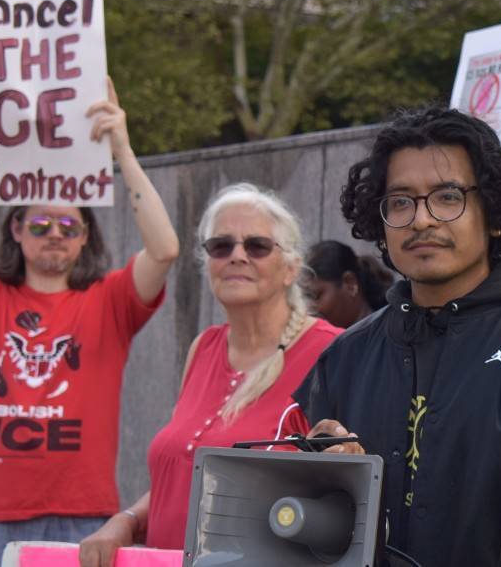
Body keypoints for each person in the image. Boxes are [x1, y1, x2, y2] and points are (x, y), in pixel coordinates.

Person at [295, 107, 501, 566]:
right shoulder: (346, 355)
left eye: (447, 196)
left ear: (495, 213)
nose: (421, 220)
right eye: (401, 201)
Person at [0, 78, 179, 567]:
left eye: (68, 226)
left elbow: (166, 249)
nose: (54, 235)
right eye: (40, 224)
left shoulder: (110, 301)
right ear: (16, 228)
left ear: (85, 235)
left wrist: (124, 153)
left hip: (84, 519)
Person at [78, 183, 340, 564]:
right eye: (221, 246)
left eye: (257, 246)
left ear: (290, 269)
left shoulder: (331, 352)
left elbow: (347, 498)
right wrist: (126, 520)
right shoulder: (204, 347)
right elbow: (182, 475)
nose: (237, 256)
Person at [305, 239, 393, 328]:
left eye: (316, 297)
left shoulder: (390, 332)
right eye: (305, 300)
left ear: (350, 283)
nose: (309, 309)